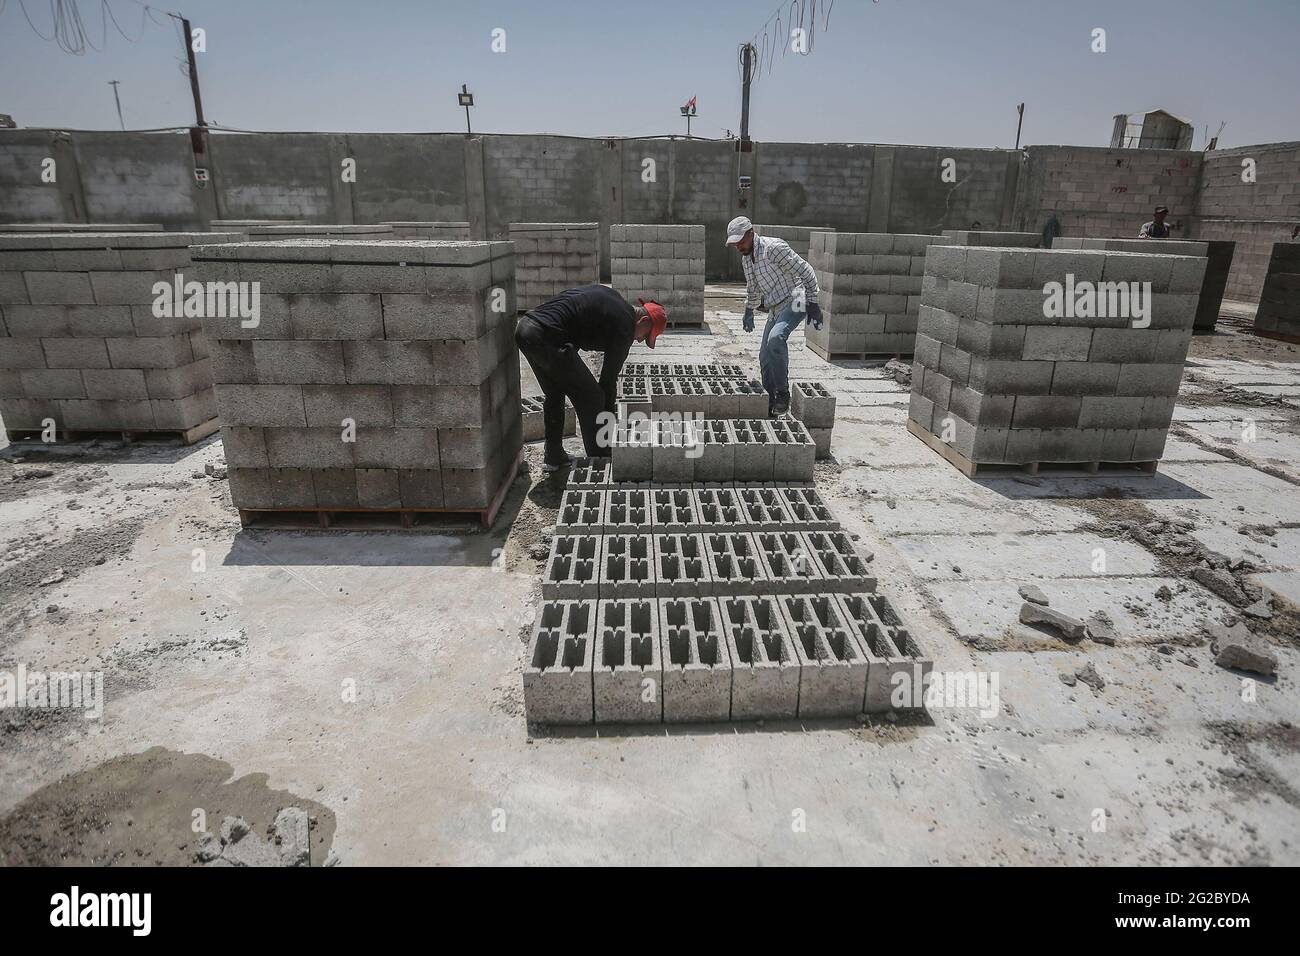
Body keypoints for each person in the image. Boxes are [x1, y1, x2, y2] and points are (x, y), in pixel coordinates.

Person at [514, 284, 667, 472]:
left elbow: (575, 317)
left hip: (526, 330)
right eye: (646, 335)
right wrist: (607, 429)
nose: (640, 340)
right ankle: (600, 461)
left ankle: (554, 457)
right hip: (546, 337)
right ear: (643, 320)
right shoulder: (625, 328)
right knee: (593, 397)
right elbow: (607, 384)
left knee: (555, 392)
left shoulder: (614, 300)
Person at [725, 216, 822, 416]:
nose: (738, 247)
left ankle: (782, 393)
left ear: (751, 233)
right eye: (735, 244)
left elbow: (806, 270)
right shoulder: (747, 259)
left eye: (740, 242)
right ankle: (768, 401)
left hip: (797, 297)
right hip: (776, 305)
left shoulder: (774, 248)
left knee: (776, 338)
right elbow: (753, 288)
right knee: (765, 355)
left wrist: (813, 302)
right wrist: (749, 310)